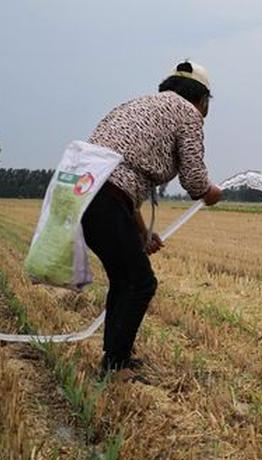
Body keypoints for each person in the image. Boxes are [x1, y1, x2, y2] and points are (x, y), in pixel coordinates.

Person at [82, 60, 222, 376]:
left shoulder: (136, 105)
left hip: (85, 191)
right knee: (140, 281)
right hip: (107, 197)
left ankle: (116, 355)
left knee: (125, 278)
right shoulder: (188, 113)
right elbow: (195, 181)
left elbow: (122, 181)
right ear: (202, 100)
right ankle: (115, 364)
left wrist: (142, 235)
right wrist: (213, 193)